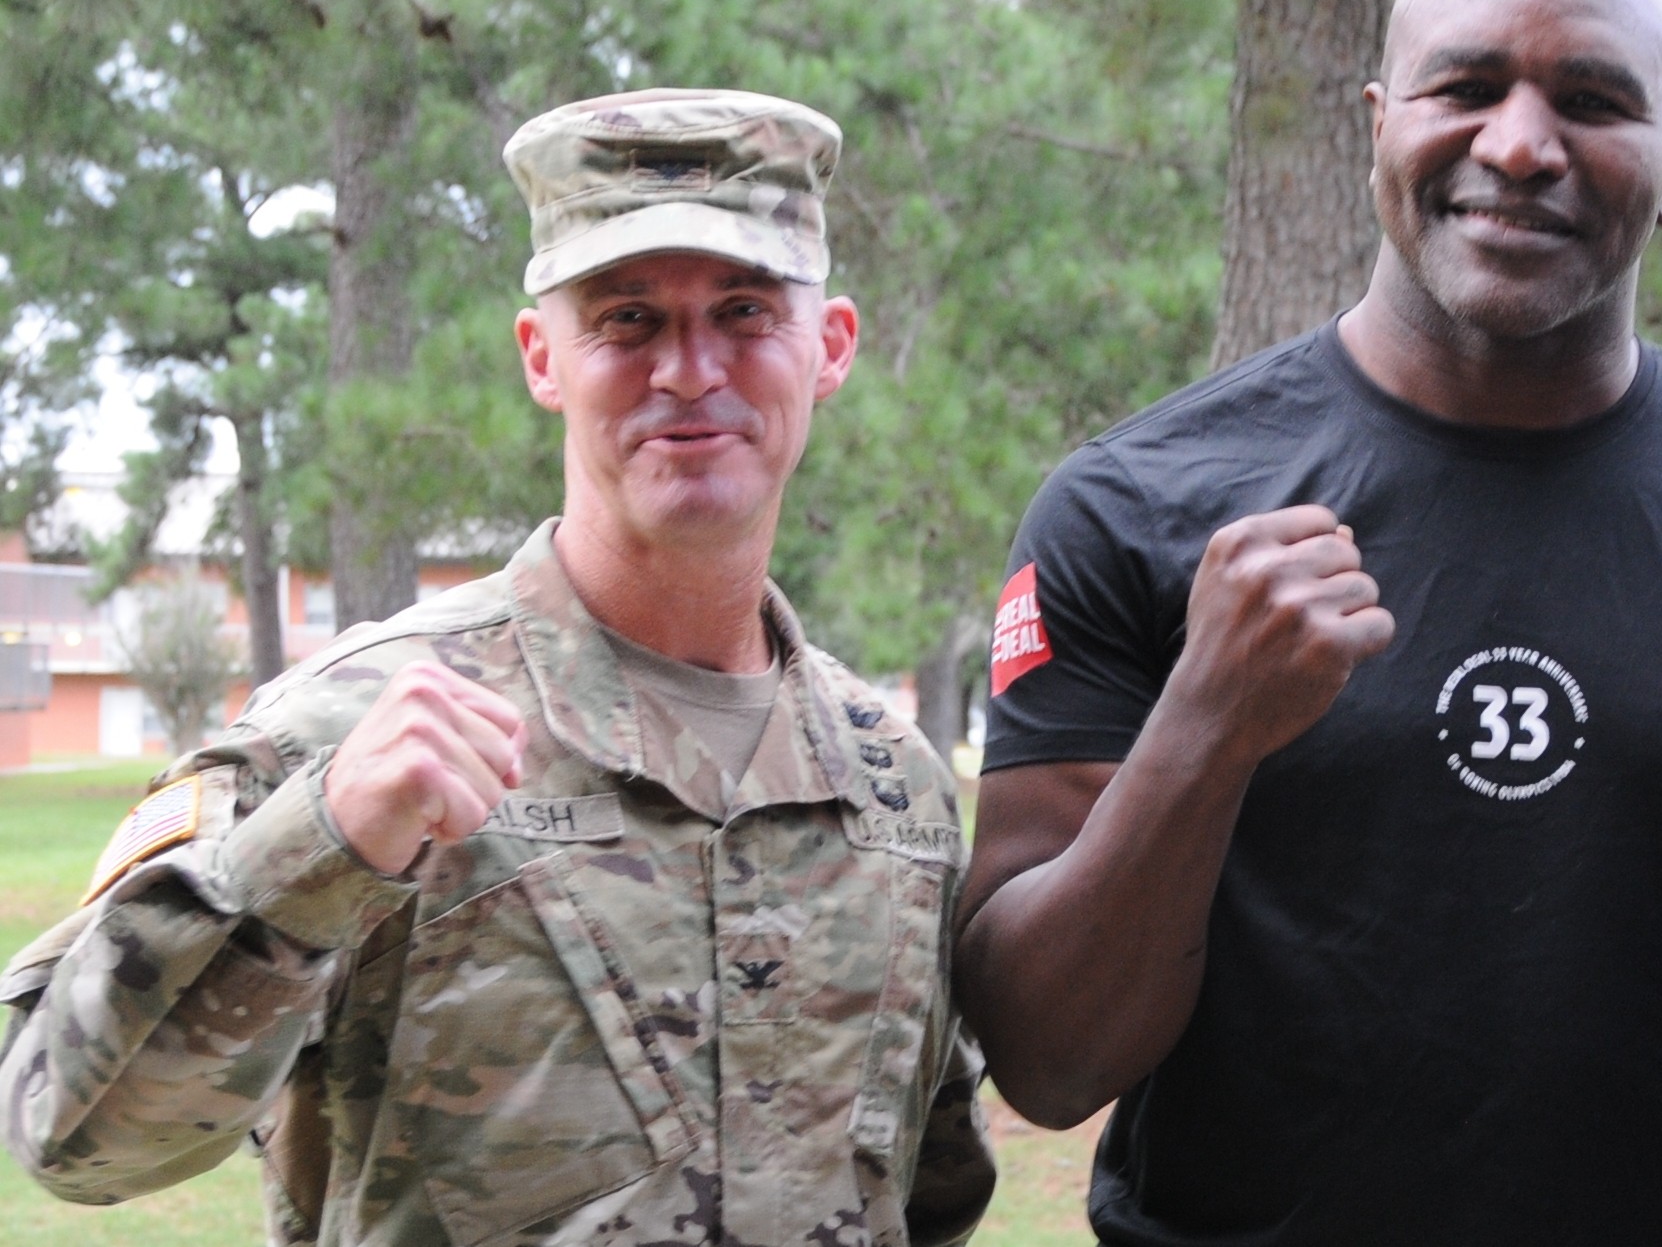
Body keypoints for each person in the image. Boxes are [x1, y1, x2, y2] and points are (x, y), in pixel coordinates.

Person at [960, 0, 1662, 1247]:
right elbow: (1046, 1062)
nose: (1519, 145)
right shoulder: (1133, 505)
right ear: (1376, 122)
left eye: (1592, 100)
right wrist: (1208, 725)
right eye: (1465, 85)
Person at [0, 89, 995, 1246]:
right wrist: (317, 847)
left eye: (742, 311)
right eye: (626, 319)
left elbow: (925, 1191)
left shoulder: (894, 788)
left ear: (829, 350)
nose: (687, 367)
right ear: (542, 358)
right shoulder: (350, 729)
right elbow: (72, 1133)